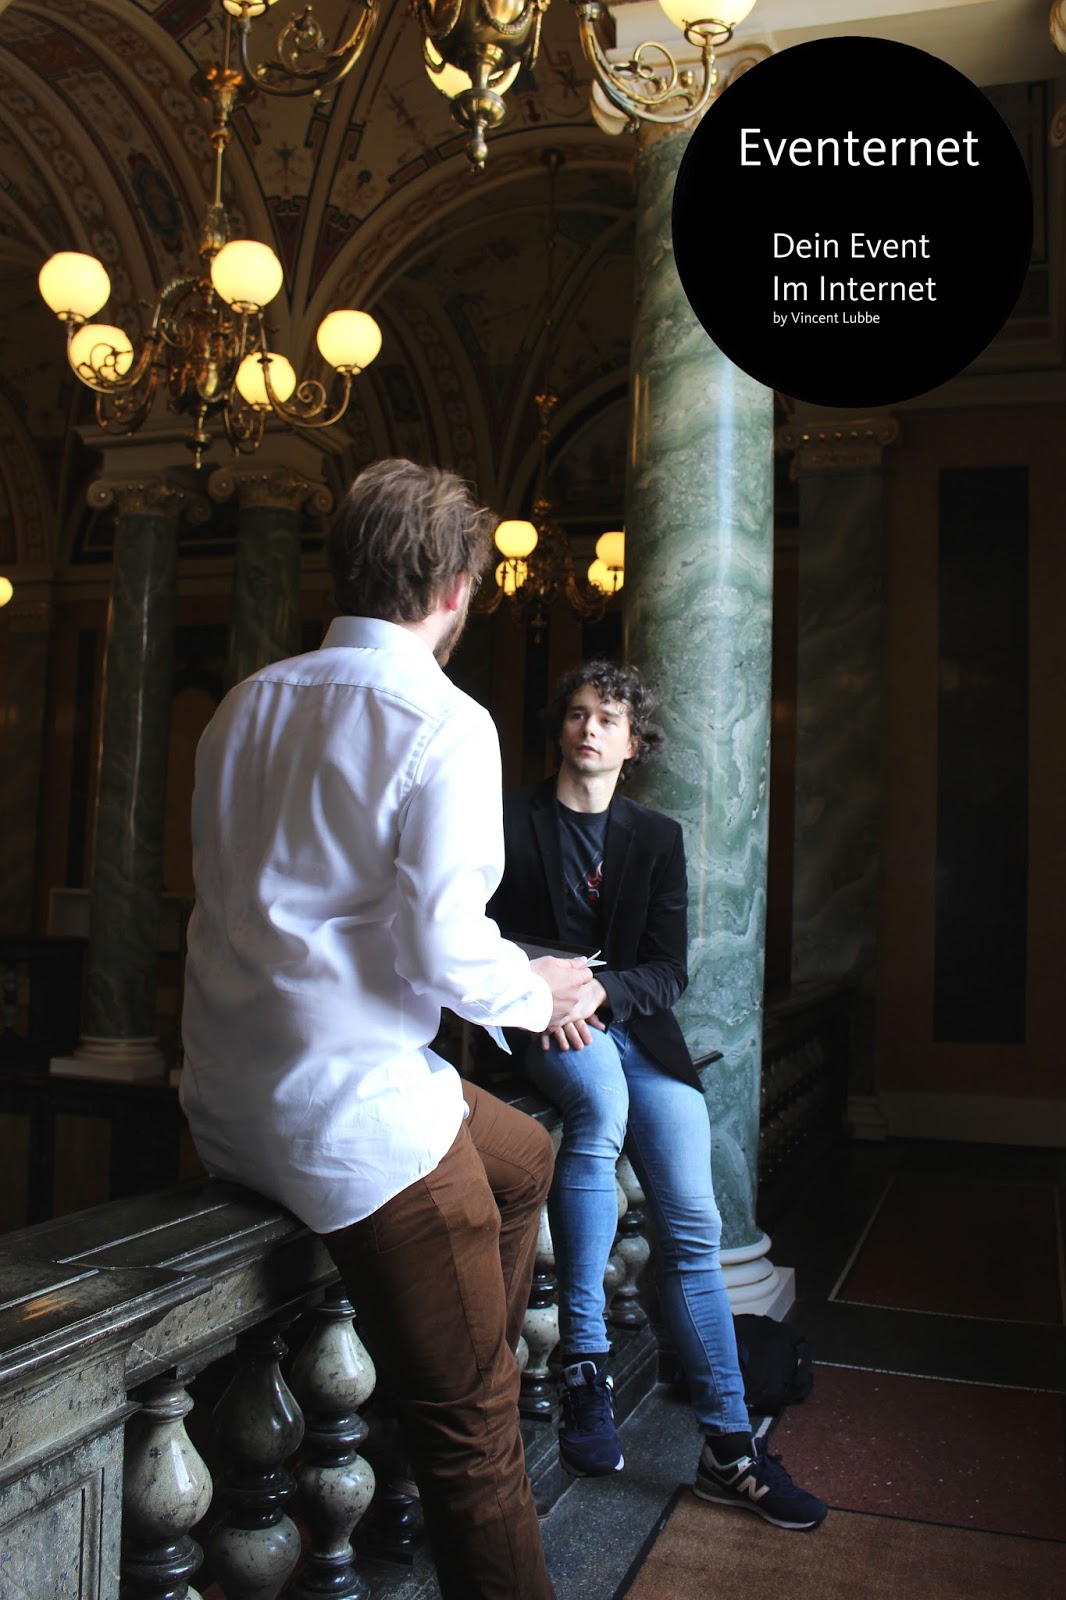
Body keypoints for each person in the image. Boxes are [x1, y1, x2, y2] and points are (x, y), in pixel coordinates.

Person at [180, 459, 602, 1600]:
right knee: (481, 1440)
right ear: (459, 588)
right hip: (349, 1118)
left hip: (229, 1093)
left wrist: (513, 974)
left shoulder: (243, 701)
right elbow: (441, 950)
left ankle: (462, 1351)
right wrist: (544, 992)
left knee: (526, 1159)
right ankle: (460, 1396)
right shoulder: (445, 719)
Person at [487, 660, 828, 1532]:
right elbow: (472, 928)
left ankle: (730, 1448)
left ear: (634, 744)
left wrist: (606, 995)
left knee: (694, 1226)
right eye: (575, 713)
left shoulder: (654, 837)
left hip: (636, 1031)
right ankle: (585, 1364)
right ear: (561, 728)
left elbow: (667, 968)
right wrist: (547, 986)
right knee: (596, 1107)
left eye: (607, 718)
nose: (588, 728)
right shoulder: (509, 819)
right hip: (546, 1025)